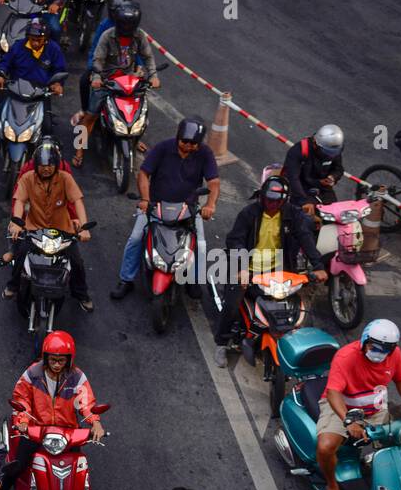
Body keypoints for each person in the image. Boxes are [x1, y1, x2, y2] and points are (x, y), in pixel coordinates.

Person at [314, 319, 401, 490]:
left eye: (385, 350)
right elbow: (333, 392)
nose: (379, 353)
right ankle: (331, 485)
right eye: (374, 347)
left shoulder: (394, 355)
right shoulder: (345, 356)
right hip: (343, 407)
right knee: (325, 446)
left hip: (375, 408)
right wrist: (348, 420)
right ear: (364, 341)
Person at [0, 331, 105, 490]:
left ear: (69, 360)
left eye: (61, 361)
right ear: (45, 358)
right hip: (37, 430)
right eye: (53, 360)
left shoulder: (77, 377)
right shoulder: (32, 374)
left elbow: (85, 402)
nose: (56, 364)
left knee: (80, 471)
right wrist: (22, 421)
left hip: (68, 433)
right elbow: (21, 399)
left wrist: (95, 422)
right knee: (18, 466)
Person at [112, 116, 221, 300]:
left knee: (200, 245)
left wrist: (210, 205)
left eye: (193, 143)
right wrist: (145, 200)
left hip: (188, 209)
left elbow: (214, 182)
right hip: (155, 205)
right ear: (178, 137)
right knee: (136, 238)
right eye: (185, 141)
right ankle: (126, 279)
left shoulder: (205, 153)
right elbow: (144, 174)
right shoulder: (162, 148)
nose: (188, 146)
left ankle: (193, 280)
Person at [213, 174, 327, 346]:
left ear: (284, 201)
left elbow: (305, 238)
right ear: (262, 197)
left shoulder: (292, 215)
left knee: (296, 306)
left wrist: (318, 266)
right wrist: (242, 268)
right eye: (269, 200)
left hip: (278, 271)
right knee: (231, 305)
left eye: (277, 201)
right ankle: (221, 343)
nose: (272, 204)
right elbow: (235, 240)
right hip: (247, 270)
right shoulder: (248, 214)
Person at [5, 137, 94, 311]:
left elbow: (77, 201)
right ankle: (13, 286)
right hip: (34, 230)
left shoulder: (66, 178)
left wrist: (83, 227)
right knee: (20, 254)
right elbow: (19, 201)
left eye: (50, 166)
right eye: (43, 167)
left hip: (62, 231)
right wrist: (16, 222)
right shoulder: (27, 178)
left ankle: (81, 294)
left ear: (57, 165)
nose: (46, 170)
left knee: (77, 262)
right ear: (36, 165)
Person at [76, 0, 157, 166]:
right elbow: (98, 60)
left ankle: (134, 138)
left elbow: (148, 57)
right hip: (107, 80)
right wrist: (97, 78)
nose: (127, 28)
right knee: (90, 116)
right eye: (124, 24)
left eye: (130, 25)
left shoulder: (140, 36)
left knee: (141, 113)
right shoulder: (107, 35)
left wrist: (154, 76)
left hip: (129, 81)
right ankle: (79, 149)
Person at [0, 17, 66, 131]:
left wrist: (57, 84)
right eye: (33, 39)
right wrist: (0, 74)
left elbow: (59, 69)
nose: (35, 43)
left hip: (41, 93)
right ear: (28, 37)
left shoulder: (54, 49)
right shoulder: (17, 46)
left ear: (45, 38)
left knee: (47, 127)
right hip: (16, 90)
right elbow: (5, 62)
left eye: (39, 39)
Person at [283, 124, 345, 212]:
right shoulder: (297, 151)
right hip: (300, 189)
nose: (330, 156)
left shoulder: (333, 151)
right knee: (305, 218)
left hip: (323, 189)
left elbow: (339, 169)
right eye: (327, 152)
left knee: (335, 214)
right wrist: (304, 201)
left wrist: (332, 177)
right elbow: (293, 179)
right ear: (316, 144)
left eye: (334, 152)